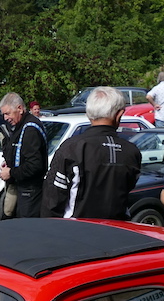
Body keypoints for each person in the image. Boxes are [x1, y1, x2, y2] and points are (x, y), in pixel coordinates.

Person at [42, 86, 141, 220]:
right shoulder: (131, 151)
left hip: (76, 231)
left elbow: (53, 199)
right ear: (119, 114)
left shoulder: (71, 148)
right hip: (117, 231)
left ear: (88, 114)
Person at [0, 92, 48, 218]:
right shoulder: (21, 126)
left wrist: (11, 172)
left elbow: (34, 165)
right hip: (22, 189)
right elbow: (20, 153)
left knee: (27, 231)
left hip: (30, 192)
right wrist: (9, 162)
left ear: (19, 109)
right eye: (3, 114)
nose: (5, 118)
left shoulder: (30, 129)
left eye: (7, 113)